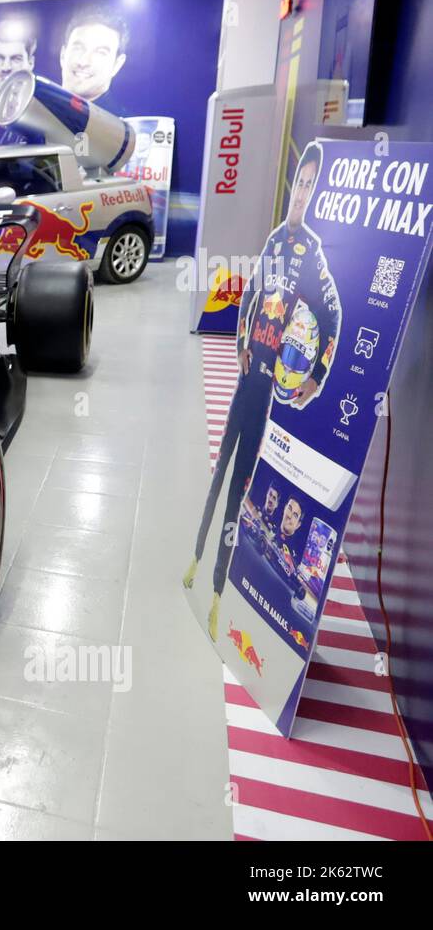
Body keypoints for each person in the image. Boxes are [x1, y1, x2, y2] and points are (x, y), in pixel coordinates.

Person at [183, 143, 341, 640]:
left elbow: (333, 316)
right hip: (246, 381)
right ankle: (194, 560)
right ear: (293, 185)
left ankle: (216, 592)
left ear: (317, 194)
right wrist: (239, 343)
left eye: (313, 186)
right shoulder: (276, 239)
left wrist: (314, 377)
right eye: (301, 182)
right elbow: (252, 293)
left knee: (241, 489)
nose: (303, 193)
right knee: (219, 471)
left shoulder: (314, 254)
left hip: (276, 397)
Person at [59, 9, 128, 113]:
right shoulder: (31, 112)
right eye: (78, 48)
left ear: (117, 65)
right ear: (63, 55)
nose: (83, 62)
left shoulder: (125, 127)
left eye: (100, 52)